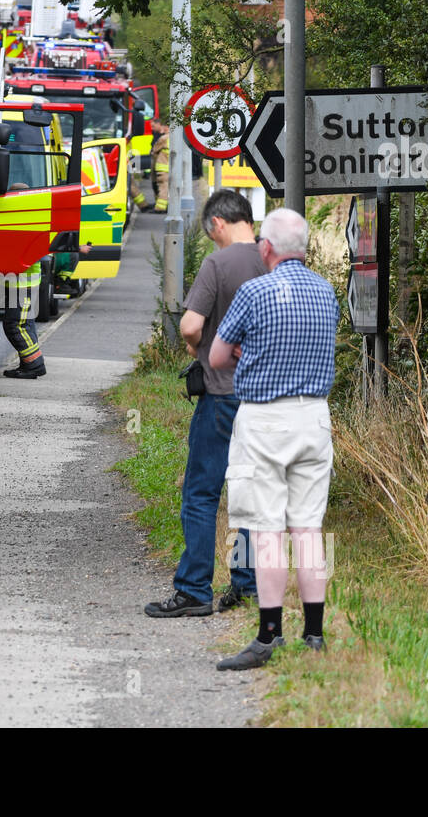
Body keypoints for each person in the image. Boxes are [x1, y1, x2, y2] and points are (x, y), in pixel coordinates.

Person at [208, 208, 340, 669]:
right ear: (303, 249)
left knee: (267, 531)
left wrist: (251, 352)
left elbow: (219, 355)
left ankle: (268, 636)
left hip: (264, 421)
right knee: (307, 529)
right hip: (314, 419)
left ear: (266, 248)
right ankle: (315, 635)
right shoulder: (326, 292)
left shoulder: (254, 291)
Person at [145, 191, 264, 617]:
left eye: (211, 233)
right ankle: (246, 586)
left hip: (221, 396)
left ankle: (194, 589)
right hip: (264, 399)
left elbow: (191, 325)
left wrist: (202, 349)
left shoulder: (219, 263)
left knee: (201, 493)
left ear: (217, 224)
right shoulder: (275, 259)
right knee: (249, 492)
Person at [150, 119, 170, 213]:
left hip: (162, 167)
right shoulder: (177, 139)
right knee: (167, 187)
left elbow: (154, 149)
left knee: (162, 187)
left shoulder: (164, 138)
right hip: (171, 168)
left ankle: (160, 208)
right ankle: (164, 206)